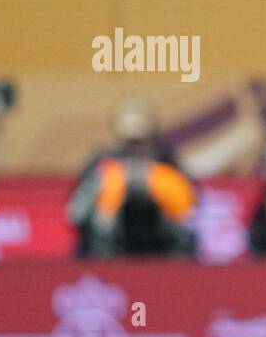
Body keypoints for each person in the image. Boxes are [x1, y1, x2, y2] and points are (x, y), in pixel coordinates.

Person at [68, 97, 196, 258]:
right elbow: (76, 211)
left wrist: (153, 184)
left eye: (139, 120)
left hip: (158, 238)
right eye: (127, 121)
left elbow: (191, 205)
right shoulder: (102, 160)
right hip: (110, 238)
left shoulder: (166, 161)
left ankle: (176, 277)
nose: (133, 126)